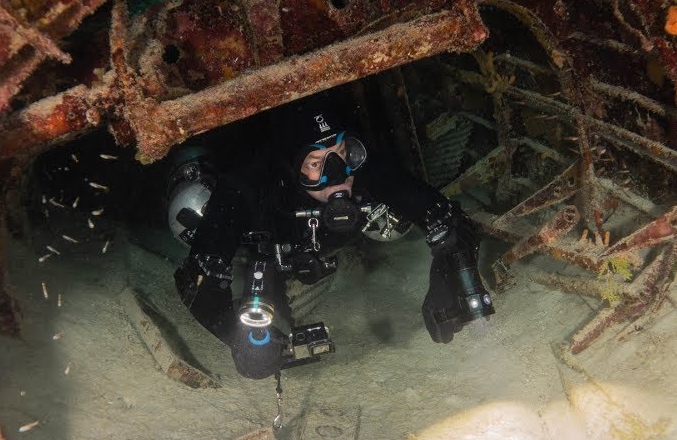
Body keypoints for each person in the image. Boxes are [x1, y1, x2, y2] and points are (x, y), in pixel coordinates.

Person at [171, 91, 495, 381]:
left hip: (315, 244)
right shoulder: (248, 190)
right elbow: (199, 279)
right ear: (291, 166)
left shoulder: (362, 166)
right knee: (190, 208)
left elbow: (447, 219)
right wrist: (237, 336)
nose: (338, 175)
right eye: (315, 162)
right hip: (267, 244)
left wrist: (445, 275)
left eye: (339, 153)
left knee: (395, 221)